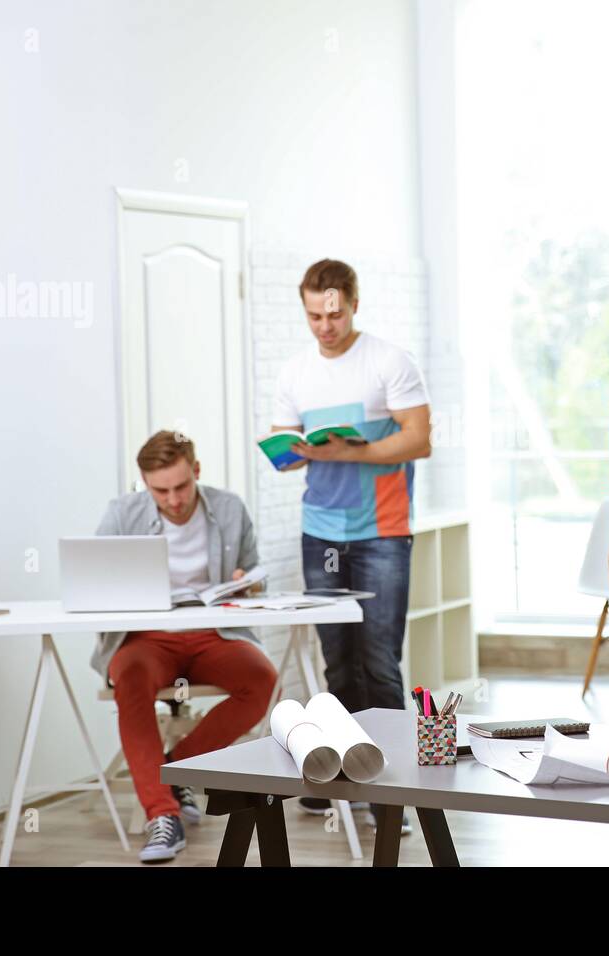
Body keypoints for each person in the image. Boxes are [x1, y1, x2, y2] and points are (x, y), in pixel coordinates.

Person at [270, 258, 431, 834]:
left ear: (353, 303)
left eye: (334, 314)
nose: (325, 326)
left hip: (383, 531)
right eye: (314, 315)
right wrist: (292, 451)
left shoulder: (388, 361)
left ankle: (392, 793)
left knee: (379, 660)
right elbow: (290, 453)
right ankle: (338, 776)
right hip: (321, 531)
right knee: (337, 660)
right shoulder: (295, 373)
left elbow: (420, 439)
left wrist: (350, 452)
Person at [91, 430, 277, 863]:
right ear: (144, 482)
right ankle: (162, 813)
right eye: (160, 490)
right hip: (147, 639)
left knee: (263, 680)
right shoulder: (122, 514)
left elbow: (255, 573)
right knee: (130, 679)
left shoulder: (229, 508)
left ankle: (175, 768)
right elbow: (94, 580)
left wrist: (246, 583)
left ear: (196, 471)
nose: (173, 500)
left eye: (181, 487)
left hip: (215, 633)